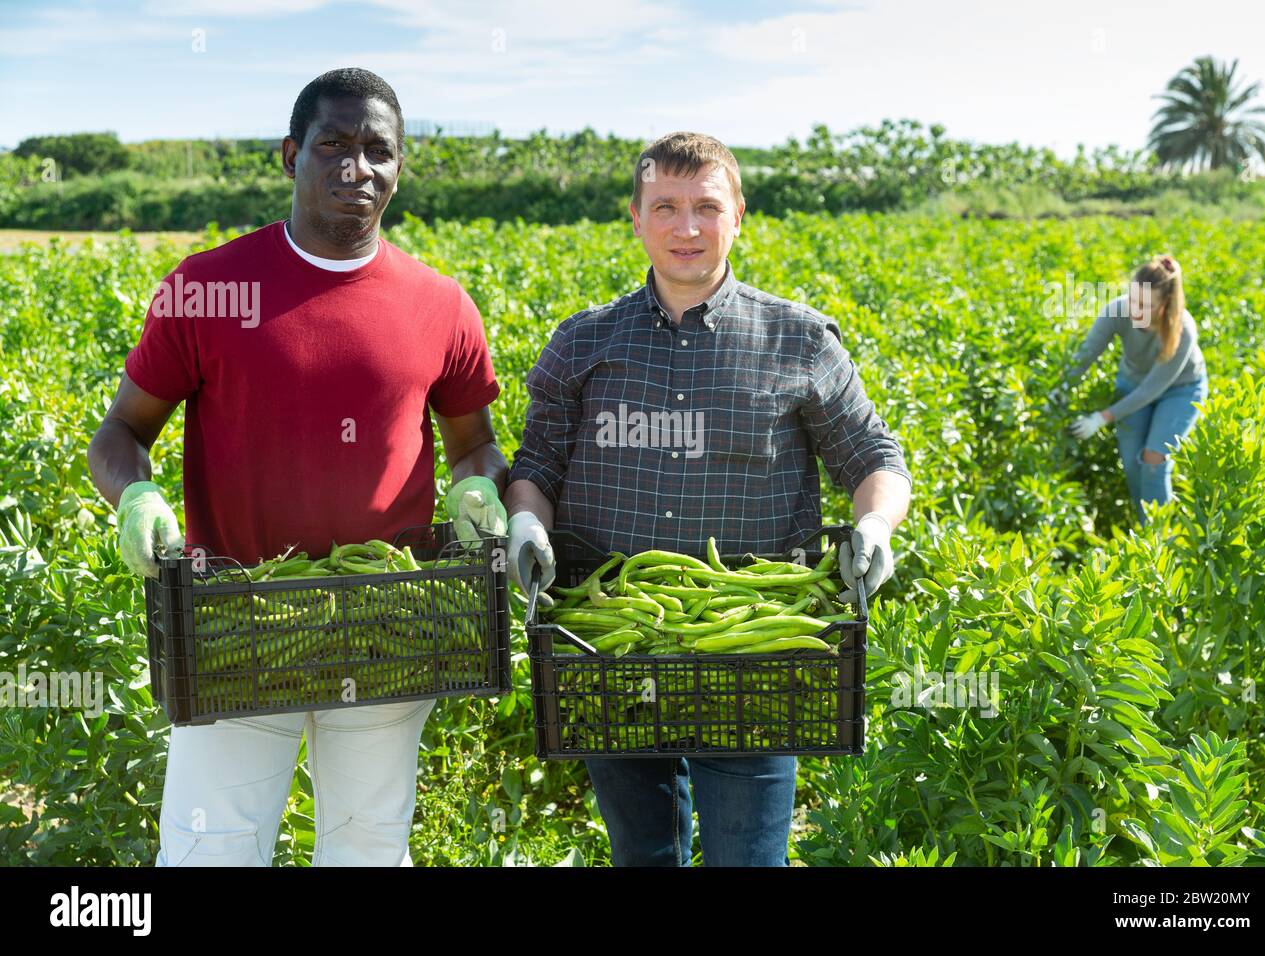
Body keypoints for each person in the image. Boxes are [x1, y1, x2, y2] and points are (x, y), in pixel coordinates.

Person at [86, 68, 509, 866]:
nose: (358, 168)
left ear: (400, 165)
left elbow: (473, 444)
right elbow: (120, 432)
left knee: (367, 847)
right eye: (334, 145)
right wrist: (136, 496)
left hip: (386, 626)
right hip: (234, 626)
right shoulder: (207, 289)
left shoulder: (439, 304)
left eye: (379, 150)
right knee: (213, 849)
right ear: (290, 155)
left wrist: (480, 487)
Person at [504, 131, 912, 866]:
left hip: (755, 654)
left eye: (705, 207)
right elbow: (537, 465)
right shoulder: (583, 342)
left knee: (747, 858)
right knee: (643, 853)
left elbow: (875, 457)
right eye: (665, 206)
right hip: (610, 648)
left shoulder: (801, 341)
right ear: (635, 217)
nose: (686, 228)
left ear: (739, 215)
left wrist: (876, 524)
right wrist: (527, 524)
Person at [1058, 255, 1209, 523]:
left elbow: (1151, 389)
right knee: (1132, 465)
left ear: (1165, 305)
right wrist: (1059, 389)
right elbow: (1086, 354)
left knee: (1153, 461)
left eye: (1145, 305)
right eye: (1133, 299)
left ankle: (1161, 541)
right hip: (1132, 383)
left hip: (1180, 390)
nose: (1135, 310)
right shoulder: (1117, 310)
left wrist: (1100, 418)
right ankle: (1145, 533)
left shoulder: (1183, 329)